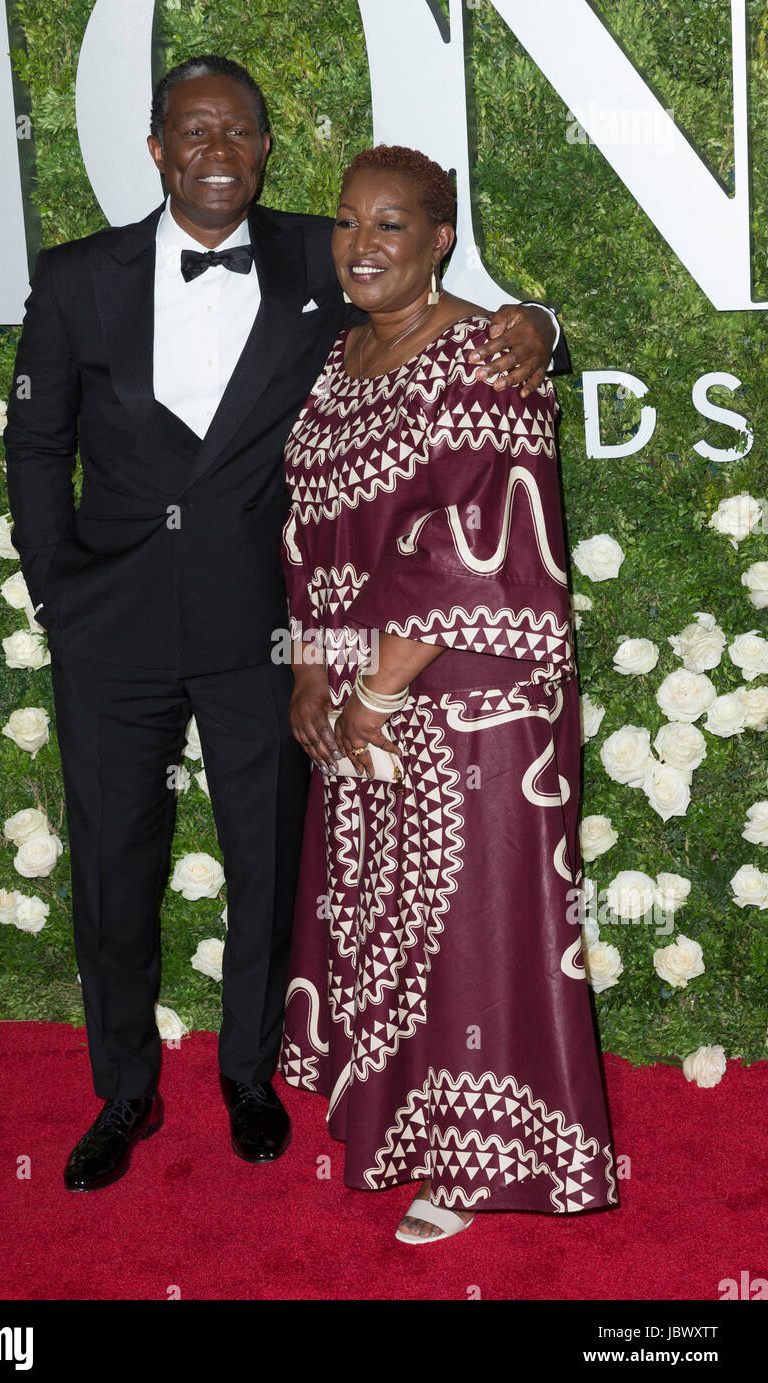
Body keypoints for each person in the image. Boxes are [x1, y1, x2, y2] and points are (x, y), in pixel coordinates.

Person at [4, 55, 562, 1193]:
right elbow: (34, 443)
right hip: (108, 631)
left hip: (262, 629)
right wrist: (55, 586)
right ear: (156, 149)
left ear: (266, 151)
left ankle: (251, 1077)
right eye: (193, 132)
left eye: (240, 132)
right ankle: (123, 1091)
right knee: (114, 866)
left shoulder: (325, 252)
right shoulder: (73, 280)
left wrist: (540, 325)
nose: (218, 151)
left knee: (270, 861)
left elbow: (447, 294)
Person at [279, 145, 617, 1243]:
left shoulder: (490, 356)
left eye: (390, 226)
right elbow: (309, 535)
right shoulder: (338, 360)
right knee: (389, 921)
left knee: (471, 924)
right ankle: (404, 1124)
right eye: (345, 223)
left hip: (470, 701)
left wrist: (373, 690)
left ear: (440, 239)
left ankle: (476, 1162)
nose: (360, 246)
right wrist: (313, 668)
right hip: (362, 692)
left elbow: (476, 548)